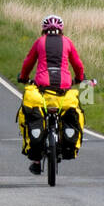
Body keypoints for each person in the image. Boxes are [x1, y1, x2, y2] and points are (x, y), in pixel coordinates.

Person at [17, 15, 86, 174]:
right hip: (64, 86)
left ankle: (36, 160)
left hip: (43, 86)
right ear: (61, 30)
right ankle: (64, 142)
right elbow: (77, 64)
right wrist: (80, 78)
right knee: (67, 112)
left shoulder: (40, 42)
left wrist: (24, 77)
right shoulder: (67, 42)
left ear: (44, 29)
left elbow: (28, 62)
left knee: (37, 115)